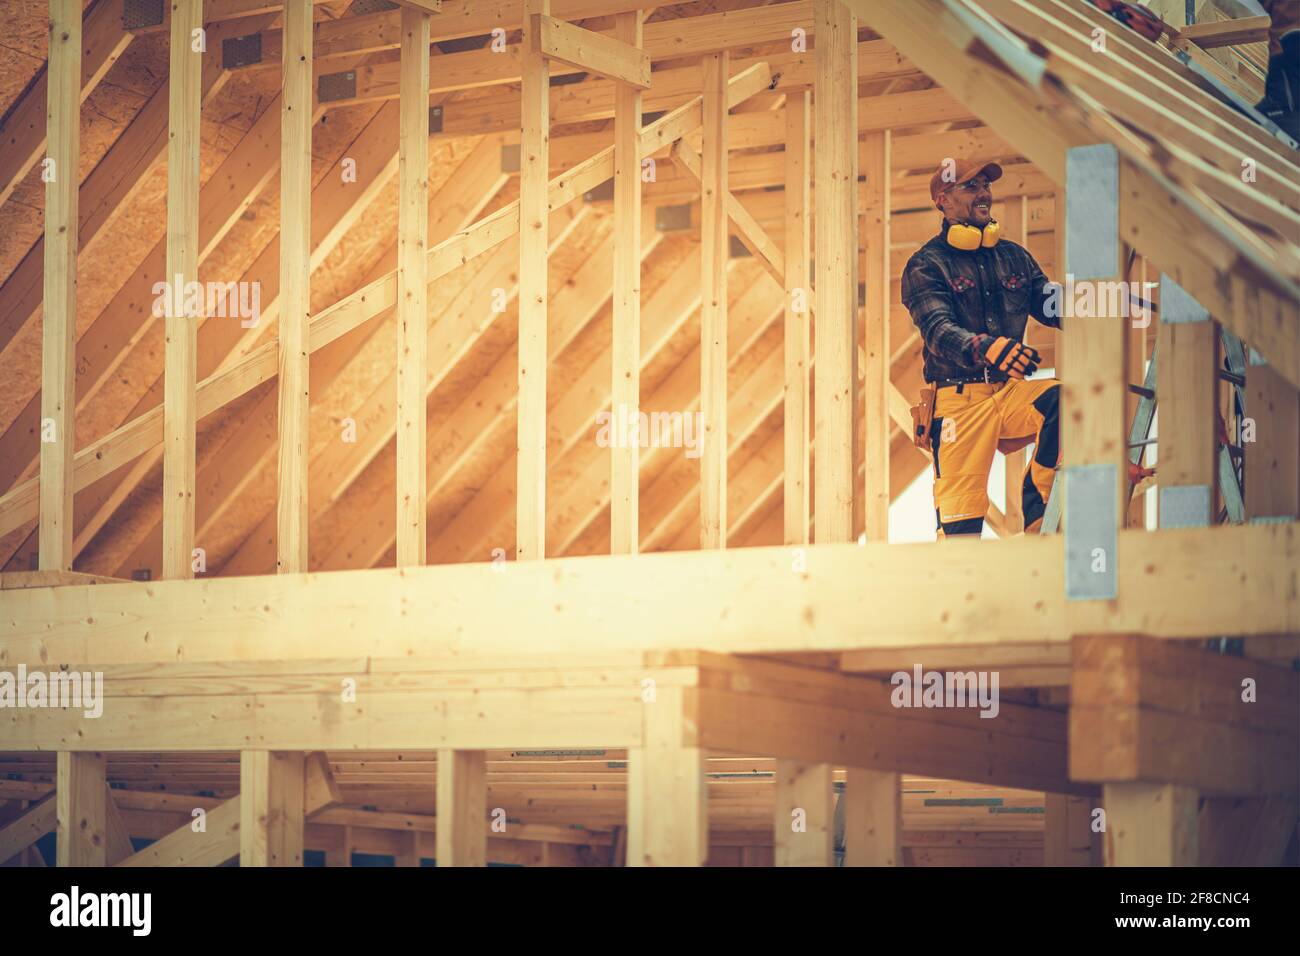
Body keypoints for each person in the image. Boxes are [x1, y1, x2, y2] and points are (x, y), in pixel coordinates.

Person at [900, 159, 1063, 537]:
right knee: (960, 531)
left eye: (985, 186)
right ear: (943, 200)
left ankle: (1040, 514)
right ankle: (960, 592)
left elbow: (1052, 305)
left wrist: (1107, 301)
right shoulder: (926, 264)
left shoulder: (1014, 257)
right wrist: (986, 347)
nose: (984, 193)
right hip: (959, 405)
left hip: (1007, 393)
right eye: (970, 187)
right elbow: (939, 331)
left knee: (1061, 401)